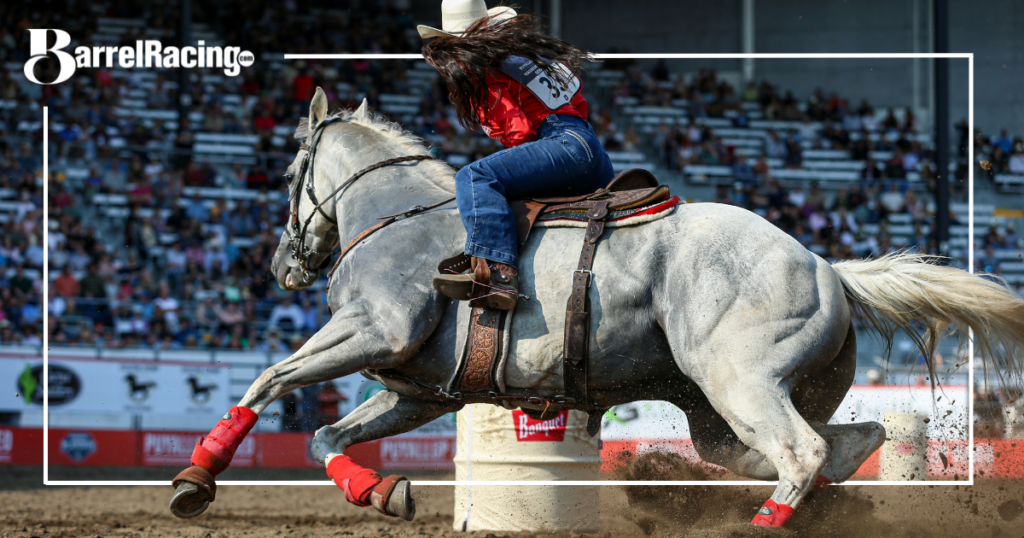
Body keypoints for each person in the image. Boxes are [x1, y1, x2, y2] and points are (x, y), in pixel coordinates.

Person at [419, 0, 614, 310]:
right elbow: (577, 101)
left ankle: (499, 274)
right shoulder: (528, 60)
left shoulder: (485, 71)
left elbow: (520, 131)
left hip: (562, 144)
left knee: (474, 176)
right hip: (593, 151)